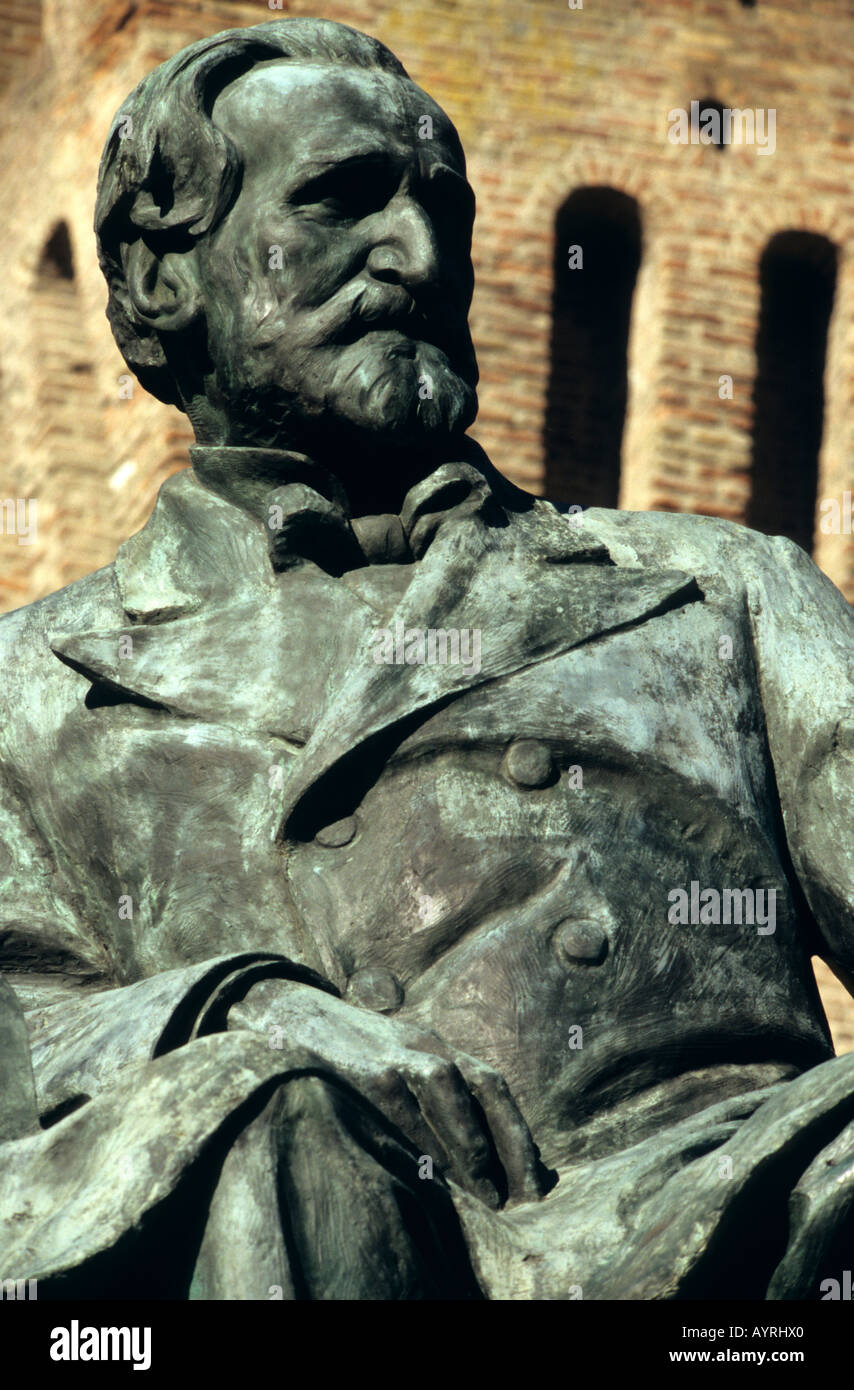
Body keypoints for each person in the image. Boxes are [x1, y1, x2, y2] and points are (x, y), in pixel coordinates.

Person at [0, 17, 852, 1300]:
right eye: (341, 199)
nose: (418, 256)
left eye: (440, 210)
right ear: (166, 276)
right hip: (329, 1212)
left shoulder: (718, 591)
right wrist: (229, 1013)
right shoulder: (28, 684)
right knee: (260, 1117)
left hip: (733, 1220)